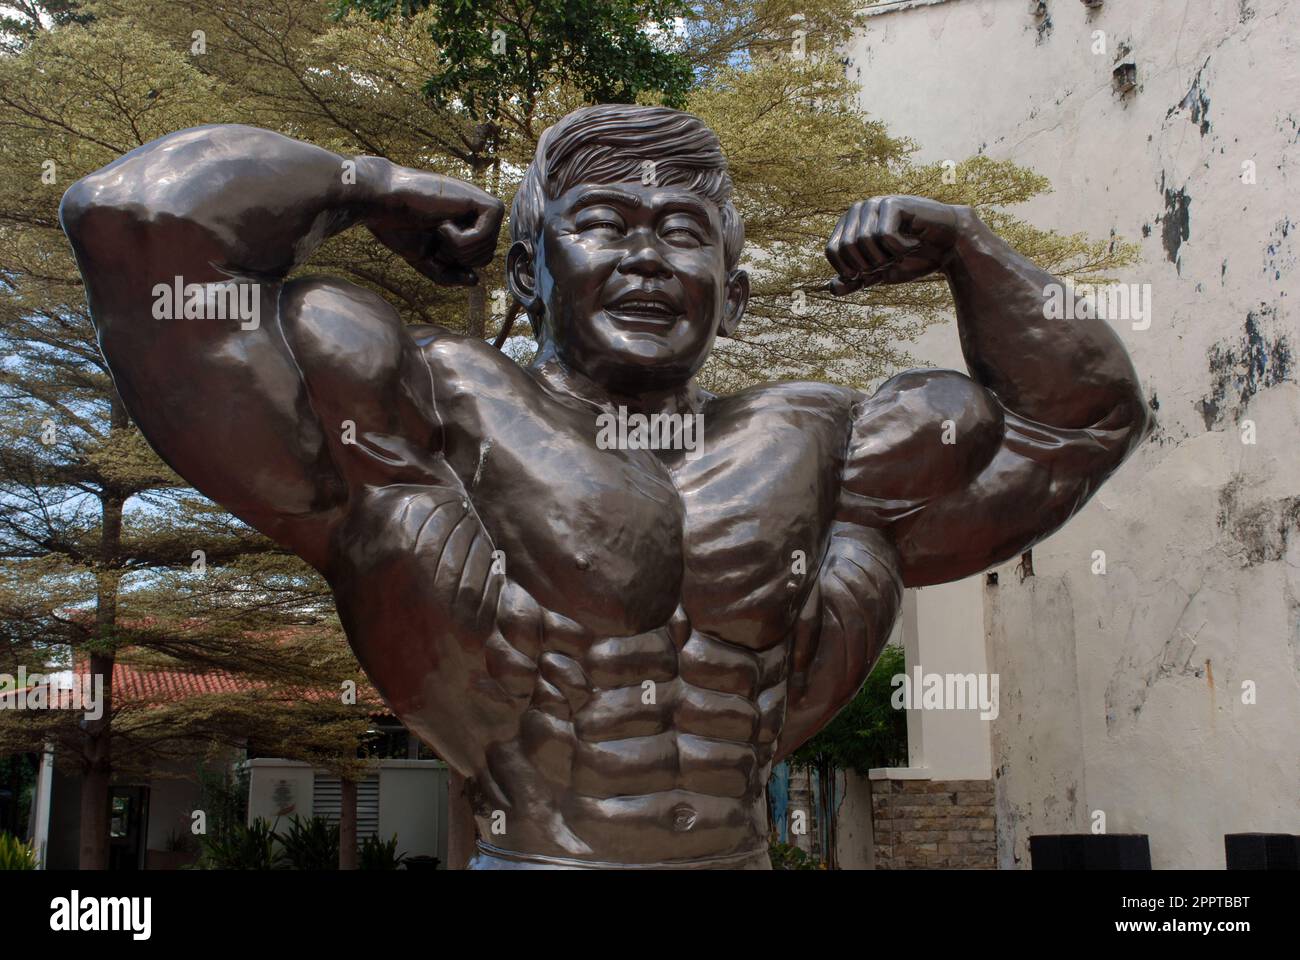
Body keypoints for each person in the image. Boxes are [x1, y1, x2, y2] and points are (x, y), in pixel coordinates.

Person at [60, 104, 1150, 869]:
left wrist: (970, 246)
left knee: (944, 412)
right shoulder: (413, 423)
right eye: (601, 226)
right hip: (533, 862)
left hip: (741, 861)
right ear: (529, 273)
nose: (644, 259)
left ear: (732, 293)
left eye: (682, 234)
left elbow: (1084, 417)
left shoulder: (828, 451)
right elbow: (139, 220)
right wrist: (370, 187)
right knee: (329, 324)